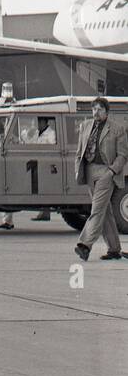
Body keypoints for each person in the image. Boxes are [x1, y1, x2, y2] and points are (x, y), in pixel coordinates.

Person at [73, 97, 127, 262]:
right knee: (105, 212)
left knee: (97, 210)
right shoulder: (85, 126)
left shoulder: (117, 129)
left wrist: (111, 171)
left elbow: (123, 154)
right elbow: (79, 151)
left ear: (107, 111)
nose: (96, 112)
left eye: (100, 109)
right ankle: (114, 250)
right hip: (89, 171)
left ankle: (84, 245)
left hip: (106, 171)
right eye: (94, 109)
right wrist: (78, 170)